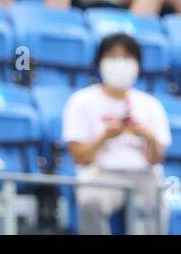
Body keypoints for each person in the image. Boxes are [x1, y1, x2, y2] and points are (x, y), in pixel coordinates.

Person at [62, 33, 170, 235]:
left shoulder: (151, 105)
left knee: (155, 208)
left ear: (138, 64)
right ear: (99, 62)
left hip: (144, 174)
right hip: (101, 172)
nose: (120, 63)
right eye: (112, 56)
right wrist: (105, 137)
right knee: (91, 203)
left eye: (127, 57)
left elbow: (156, 159)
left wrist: (148, 136)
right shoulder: (81, 101)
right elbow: (79, 158)